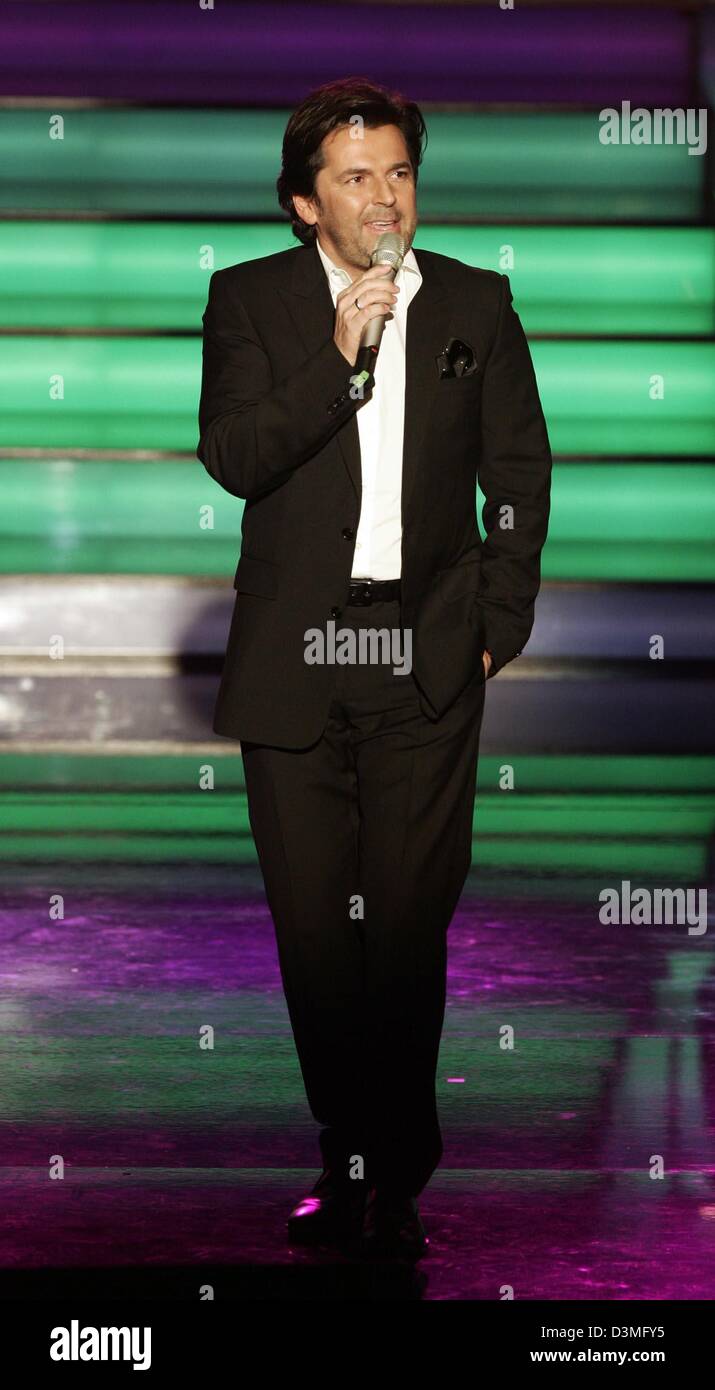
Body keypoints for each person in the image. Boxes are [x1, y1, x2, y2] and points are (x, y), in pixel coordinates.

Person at [197, 76, 552, 1261]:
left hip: (422, 654)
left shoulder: (474, 303)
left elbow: (519, 470)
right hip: (298, 656)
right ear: (304, 201)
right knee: (316, 932)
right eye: (355, 177)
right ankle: (344, 1151)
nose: (383, 195)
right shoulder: (247, 302)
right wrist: (339, 352)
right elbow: (237, 455)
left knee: (402, 925)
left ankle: (393, 1172)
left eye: (398, 171)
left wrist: (496, 618)